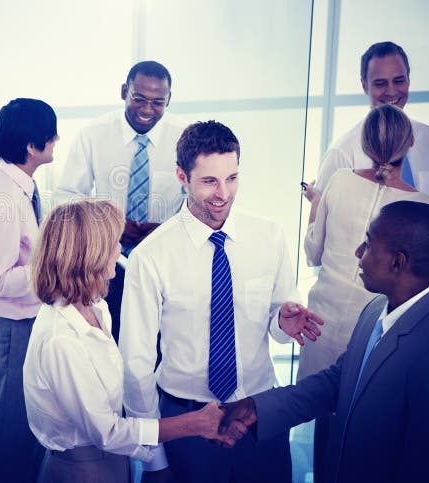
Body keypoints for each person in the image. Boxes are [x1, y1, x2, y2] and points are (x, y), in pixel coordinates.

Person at [120, 121, 323, 482]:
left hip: (261, 416)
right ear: (182, 176)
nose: (223, 193)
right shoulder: (151, 256)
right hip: (186, 424)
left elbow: (277, 318)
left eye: (232, 178)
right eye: (209, 181)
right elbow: (136, 365)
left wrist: (282, 321)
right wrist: (154, 460)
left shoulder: (269, 237)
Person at [220, 201, 429, 483]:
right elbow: (337, 383)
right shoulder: (375, 310)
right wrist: (257, 407)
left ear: (398, 262)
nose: (358, 253)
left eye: (368, 245)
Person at [24, 200, 234, 483]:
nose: (118, 252)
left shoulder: (96, 309)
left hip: (111, 461)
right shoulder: (61, 341)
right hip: (81, 470)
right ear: (90, 256)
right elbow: (108, 432)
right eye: (112, 244)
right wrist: (194, 423)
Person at [299, 104, 429, 480]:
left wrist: (316, 205)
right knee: (369, 435)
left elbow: (313, 252)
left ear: (363, 143)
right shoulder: (425, 207)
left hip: (321, 327)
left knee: (322, 423)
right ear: (408, 144)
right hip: (376, 337)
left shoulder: (340, 182)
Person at [54, 60, 186, 341]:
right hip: (106, 265)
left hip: (166, 262)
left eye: (157, 102)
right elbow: (66, 197)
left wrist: (166, 228)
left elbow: (196, 197)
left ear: (169, 100)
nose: (147, 110)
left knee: (161, 342)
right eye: (139, 99)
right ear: (124, 91)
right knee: (110, 339)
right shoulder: (93, 134)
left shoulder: (184, 137)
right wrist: (109, 224)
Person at [306, 41, 429, 283]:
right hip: (360, 293)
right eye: (380, 83)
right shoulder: (341, 153)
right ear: (364, 85)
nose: (392, 91)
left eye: (399, 80)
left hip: (418, 290)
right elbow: (319, 249)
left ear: (409, 80)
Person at [0, 98, 58, 483]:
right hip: (12, 335)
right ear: (30, 145)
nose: (57, 139)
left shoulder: (19, 184)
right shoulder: (4, 197)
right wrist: (52, 270)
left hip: (27, 327)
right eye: (50, 134)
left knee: (29, 435)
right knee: (9, 442)